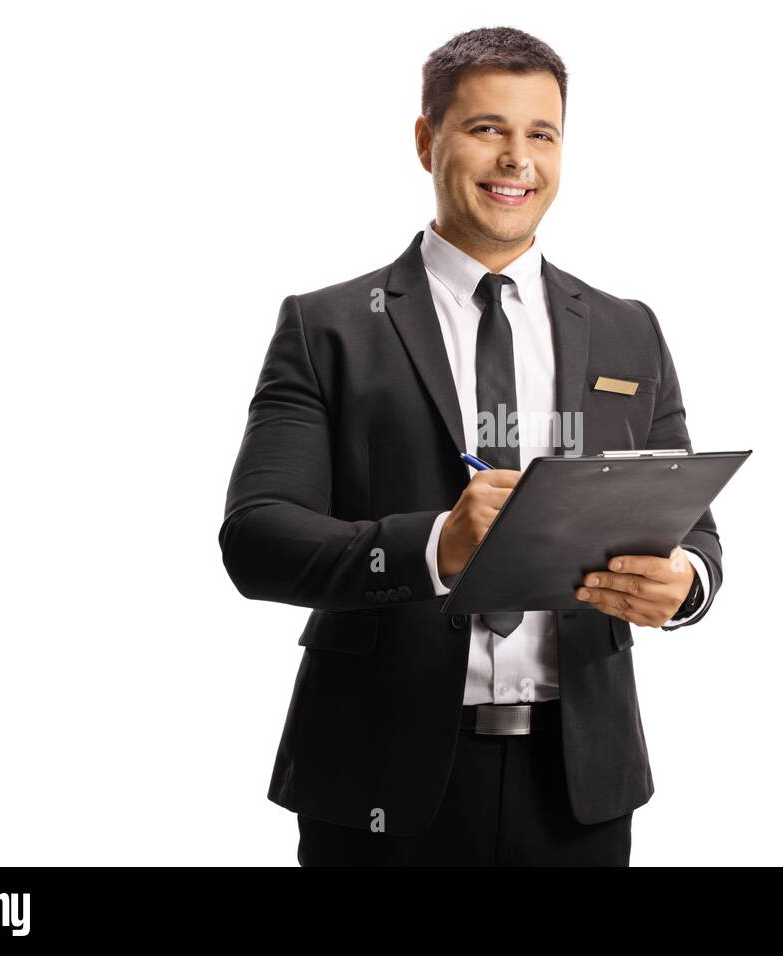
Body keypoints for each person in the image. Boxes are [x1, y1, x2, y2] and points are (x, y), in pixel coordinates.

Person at [219, 26, 724, 866]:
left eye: (541, 135)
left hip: (581, 786)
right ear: (428, 140)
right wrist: (433, 545)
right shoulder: (328, 327)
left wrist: (687, 582)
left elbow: (694, 527)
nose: (515, 159)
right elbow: (256, 539)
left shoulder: (629, 331)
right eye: (488, 128)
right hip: (378, 772)